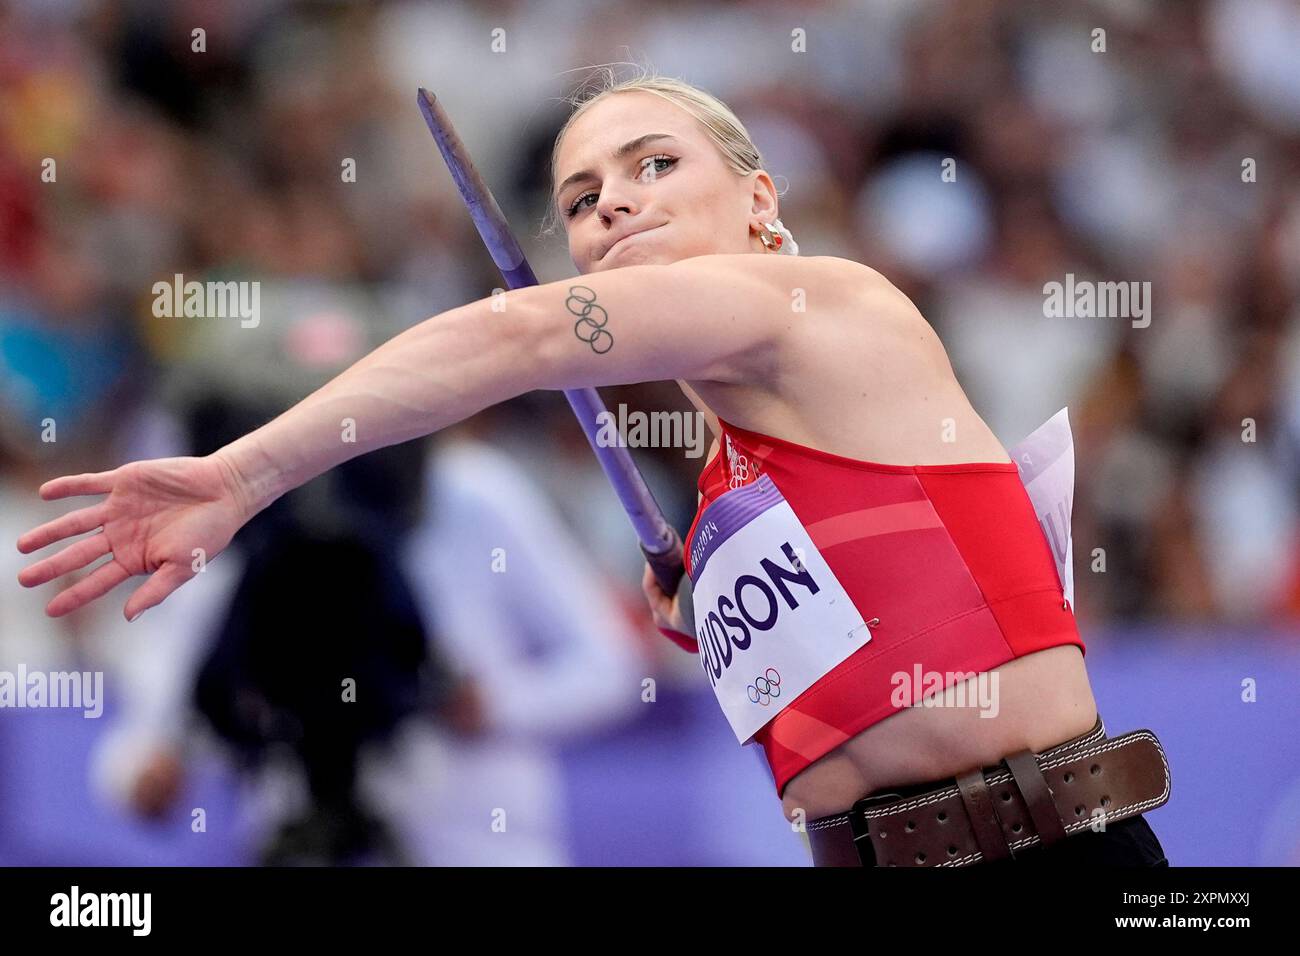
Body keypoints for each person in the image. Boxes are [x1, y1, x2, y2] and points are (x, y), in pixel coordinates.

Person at [15, 69, 1170, 867]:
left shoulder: (828, 298)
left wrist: (242, 475)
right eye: (579, 198)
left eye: (653, 163)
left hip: (1047, 857)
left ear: (761, 204)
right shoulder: (729, 491)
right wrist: (710, 608)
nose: (611, 198)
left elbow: (513, 338)